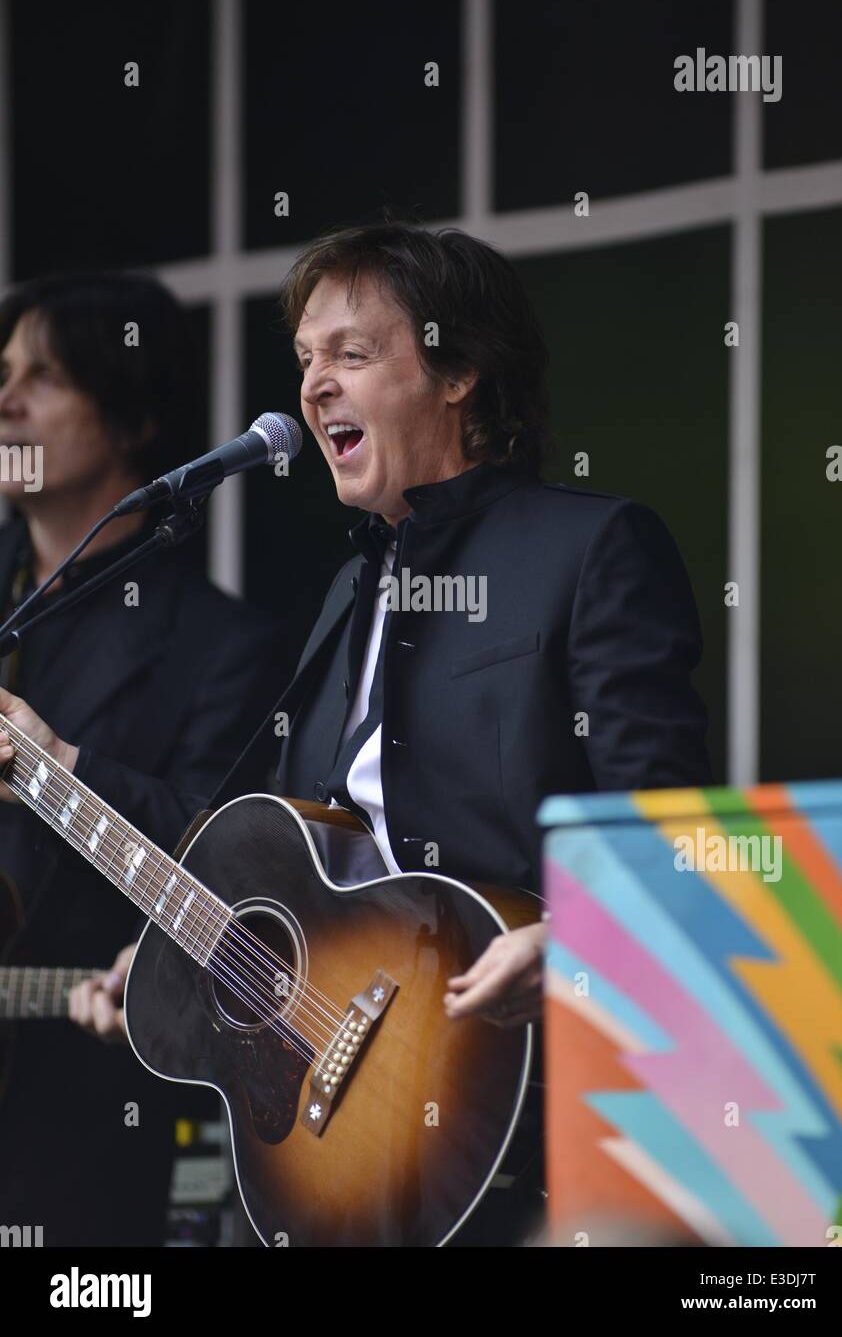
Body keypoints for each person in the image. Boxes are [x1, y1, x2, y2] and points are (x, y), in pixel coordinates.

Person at [1, 223, 712, 1245]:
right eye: (302, 361)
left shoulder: (588, 548)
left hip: (523, 1100)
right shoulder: (347, 590)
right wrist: (166, 945)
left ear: (459, 369)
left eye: (350, 352)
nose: (313, 386)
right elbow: (273, 858)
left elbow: (670, 831)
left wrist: (571, 941)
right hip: (323, 1143)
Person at [0, 271, 286, 1246]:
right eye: (5, 373)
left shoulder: (219, 645)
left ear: (130, 417)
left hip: (78, 1118)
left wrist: (58, 761)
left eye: (43, 377)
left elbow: (224, 875)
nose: (4, 401)